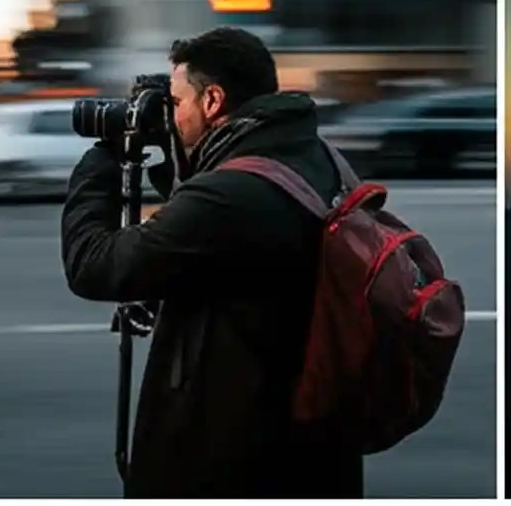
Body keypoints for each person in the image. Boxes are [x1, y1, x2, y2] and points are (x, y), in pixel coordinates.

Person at [60, 27, 362, 497]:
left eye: (177, 102)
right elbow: (219, 234)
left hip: (232, 460)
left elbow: (92, 265)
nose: (171, 116)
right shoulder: (316, 158)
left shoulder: (229, 198)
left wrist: (108, 155)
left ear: (213, 100)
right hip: (313, 450)